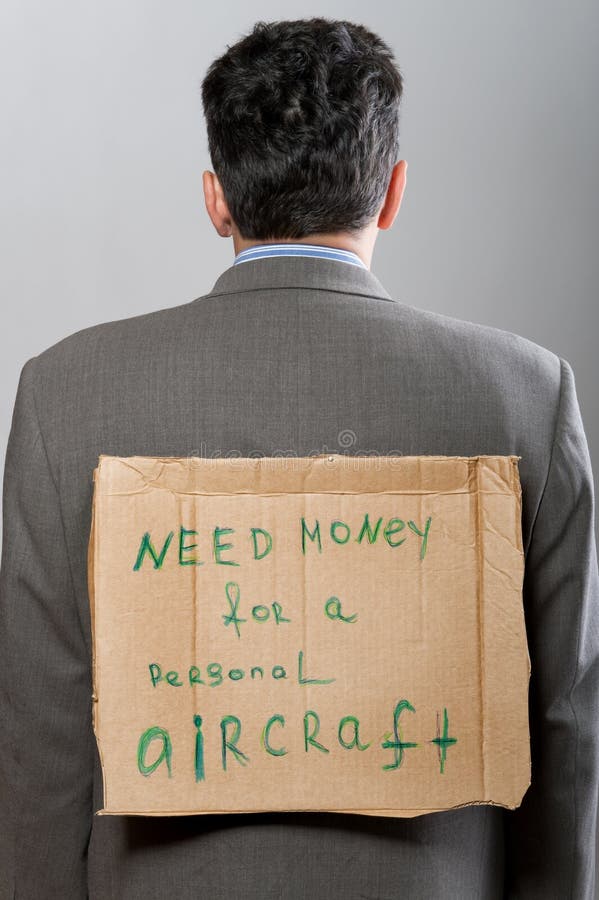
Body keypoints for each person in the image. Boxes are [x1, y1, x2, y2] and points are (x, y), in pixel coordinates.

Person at [1, 15, 597, 900]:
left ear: (215, 199)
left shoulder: (66, 393)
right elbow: (564, 737)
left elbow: (40, 749)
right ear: (393, 194)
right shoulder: (524, 394)